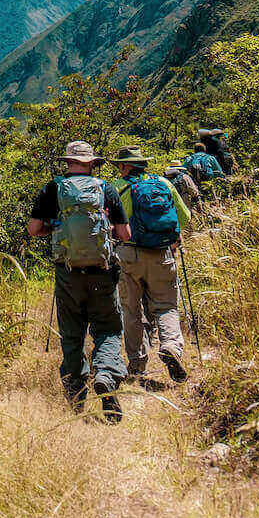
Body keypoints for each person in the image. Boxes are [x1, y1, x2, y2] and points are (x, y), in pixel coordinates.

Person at [29, 141, 132, 421]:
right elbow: (125, 234)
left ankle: (75, 397)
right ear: (91, 163)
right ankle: (107, 377)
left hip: (67, 273)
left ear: (68, 162)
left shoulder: (53, 188)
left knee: (72, 334)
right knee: (108, 329)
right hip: (102, 272)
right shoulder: (105, 189)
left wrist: (56, 228)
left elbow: (34, 229)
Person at [108, 146, 192, 383]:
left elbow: (106, 225)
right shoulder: (165, 185)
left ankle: (137, 364)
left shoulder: (116, 188)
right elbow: (184, 218)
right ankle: (171, 347)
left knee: (131, 311)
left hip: (129, 255)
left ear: (125, 166)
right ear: (143, 164)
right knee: (166, 306)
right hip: (162, 255)